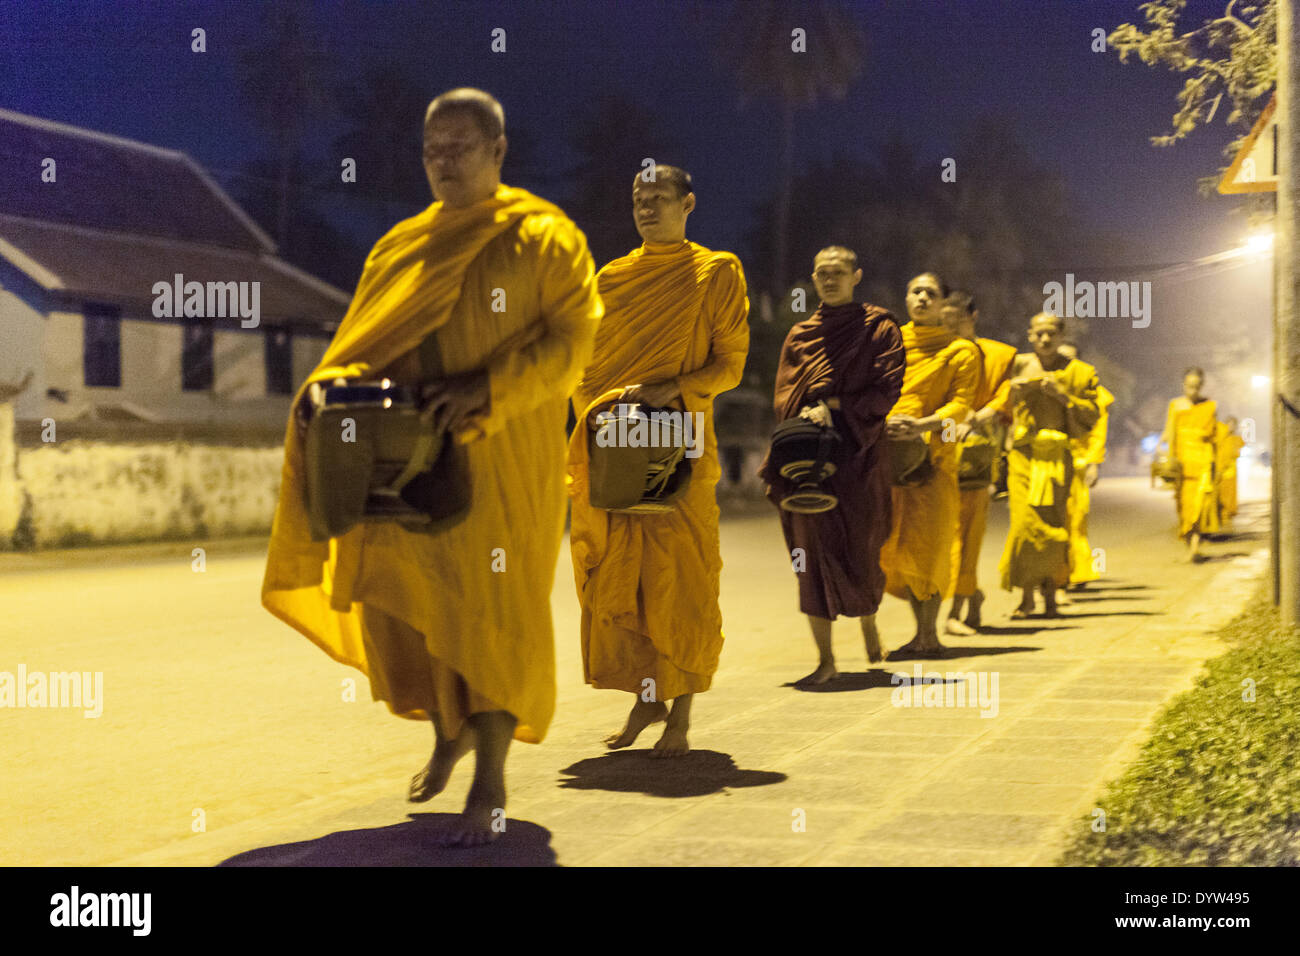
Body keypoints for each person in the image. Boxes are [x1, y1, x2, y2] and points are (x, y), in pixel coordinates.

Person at [261, 88, 603, 846]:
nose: (443, 162)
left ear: (499, 152)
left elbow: (572, 344)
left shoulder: (546, 239)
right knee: (405, 608)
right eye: (431, 149)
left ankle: (490, 777)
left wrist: (489, 388)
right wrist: (328, 393)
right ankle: (447, 731)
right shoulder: (399, 246)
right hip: (405, 458)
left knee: (497, 616)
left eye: (460, 146)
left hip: (503, 460)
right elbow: (360, 342)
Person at [566, 165, 749, 757]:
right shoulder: (613, 279)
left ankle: (682, 716)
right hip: (618, 443)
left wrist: (675, 387)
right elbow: (583, 366)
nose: (646, 209)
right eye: (639, 200)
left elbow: (730, 366)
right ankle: (646, 698)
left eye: (659, 199)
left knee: (685, 579)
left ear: (687, 203)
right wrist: (597, 408)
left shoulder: (714, 272)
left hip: (681, 446)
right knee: (624, 577)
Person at [759, 246, 905, 684]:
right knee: (810, 555)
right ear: (813, 277)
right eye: (822, 273)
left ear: (856, 275)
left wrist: (837, 405)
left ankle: (868, 618)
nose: (830, 280)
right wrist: (806, 409)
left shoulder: (879, 327)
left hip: (859, 456)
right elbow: (783, 394)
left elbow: (888, 387)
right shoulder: (801, 334)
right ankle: (825, 659)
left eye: (838, 273)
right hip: (809, 462)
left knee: (862, 548)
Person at [878, 275, 980, 658]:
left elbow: (961, 409)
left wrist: (922, 426)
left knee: (932, 547)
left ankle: (929, 635)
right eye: (915, 291)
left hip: (935, 463)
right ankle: (918, 634)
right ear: (906, 298)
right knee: (900, 547)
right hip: (890, 458)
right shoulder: (890, 345)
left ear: (943, 304)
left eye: (930, 294)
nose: (922, 298)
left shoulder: (960, 352)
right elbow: (875, 390)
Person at [994, 313, 1099, 617]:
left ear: (1061, 336)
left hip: (1057, 459)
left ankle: (1052, 594)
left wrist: (1063, 396)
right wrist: (1012, 393)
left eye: (1051, 333)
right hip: (1023, 457)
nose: (1045, 339)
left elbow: (1092, 415)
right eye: (1039, 333)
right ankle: (1027, 596)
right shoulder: (1017, 366)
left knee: (1053, 526)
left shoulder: (1080, 372)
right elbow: (994, 403)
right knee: (1024, 525)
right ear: (1029, 335)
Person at [942, 292, 1017, 635]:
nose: (950, 324)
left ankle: (954, 611)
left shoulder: (998, 356)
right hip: (936, 454)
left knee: (966, 535)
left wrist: (976, 417)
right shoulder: (936, 353)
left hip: (974, 456)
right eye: (945, 318)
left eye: (956, 317)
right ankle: (971, 595)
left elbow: (1006, 398)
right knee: (941, 536)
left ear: (973, 315)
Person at [1057, 343, 1114, 592]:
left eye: (1070, 359)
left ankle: (1078, 571)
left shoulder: (1094, 392)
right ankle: (1056, 574)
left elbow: (1098, 432)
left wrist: (1093, 463)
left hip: (1078, 461)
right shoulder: (1049, 385)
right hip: (1049, 459)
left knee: (1076, 518)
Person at [1159, 367, 1220, 560]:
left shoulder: (1209, 406)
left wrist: (1214, 465)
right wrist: (1163, 449)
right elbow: (1169, 431)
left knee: (1199, 506)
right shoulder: (1175, 405)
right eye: (1189, 386)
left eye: (1196, 387)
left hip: (1202, 460)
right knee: (1183, 507)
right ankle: (1189, 541)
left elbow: (1214, 435)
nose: (1192, 391)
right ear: (1183, 385)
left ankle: (1194, 547)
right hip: (1182, 462)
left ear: (1201, 386)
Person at [1216, 416, 1245, 525]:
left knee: (1229, 494)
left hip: (1231, 471)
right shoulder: (1220, 437)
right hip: (1220, 470)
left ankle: (1228, 513)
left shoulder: (1236, 439)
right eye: (1229, 424)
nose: (1231, 427)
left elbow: (1238, 450)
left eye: (1233, 425)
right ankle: (1221, 513)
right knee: (1221, 493)